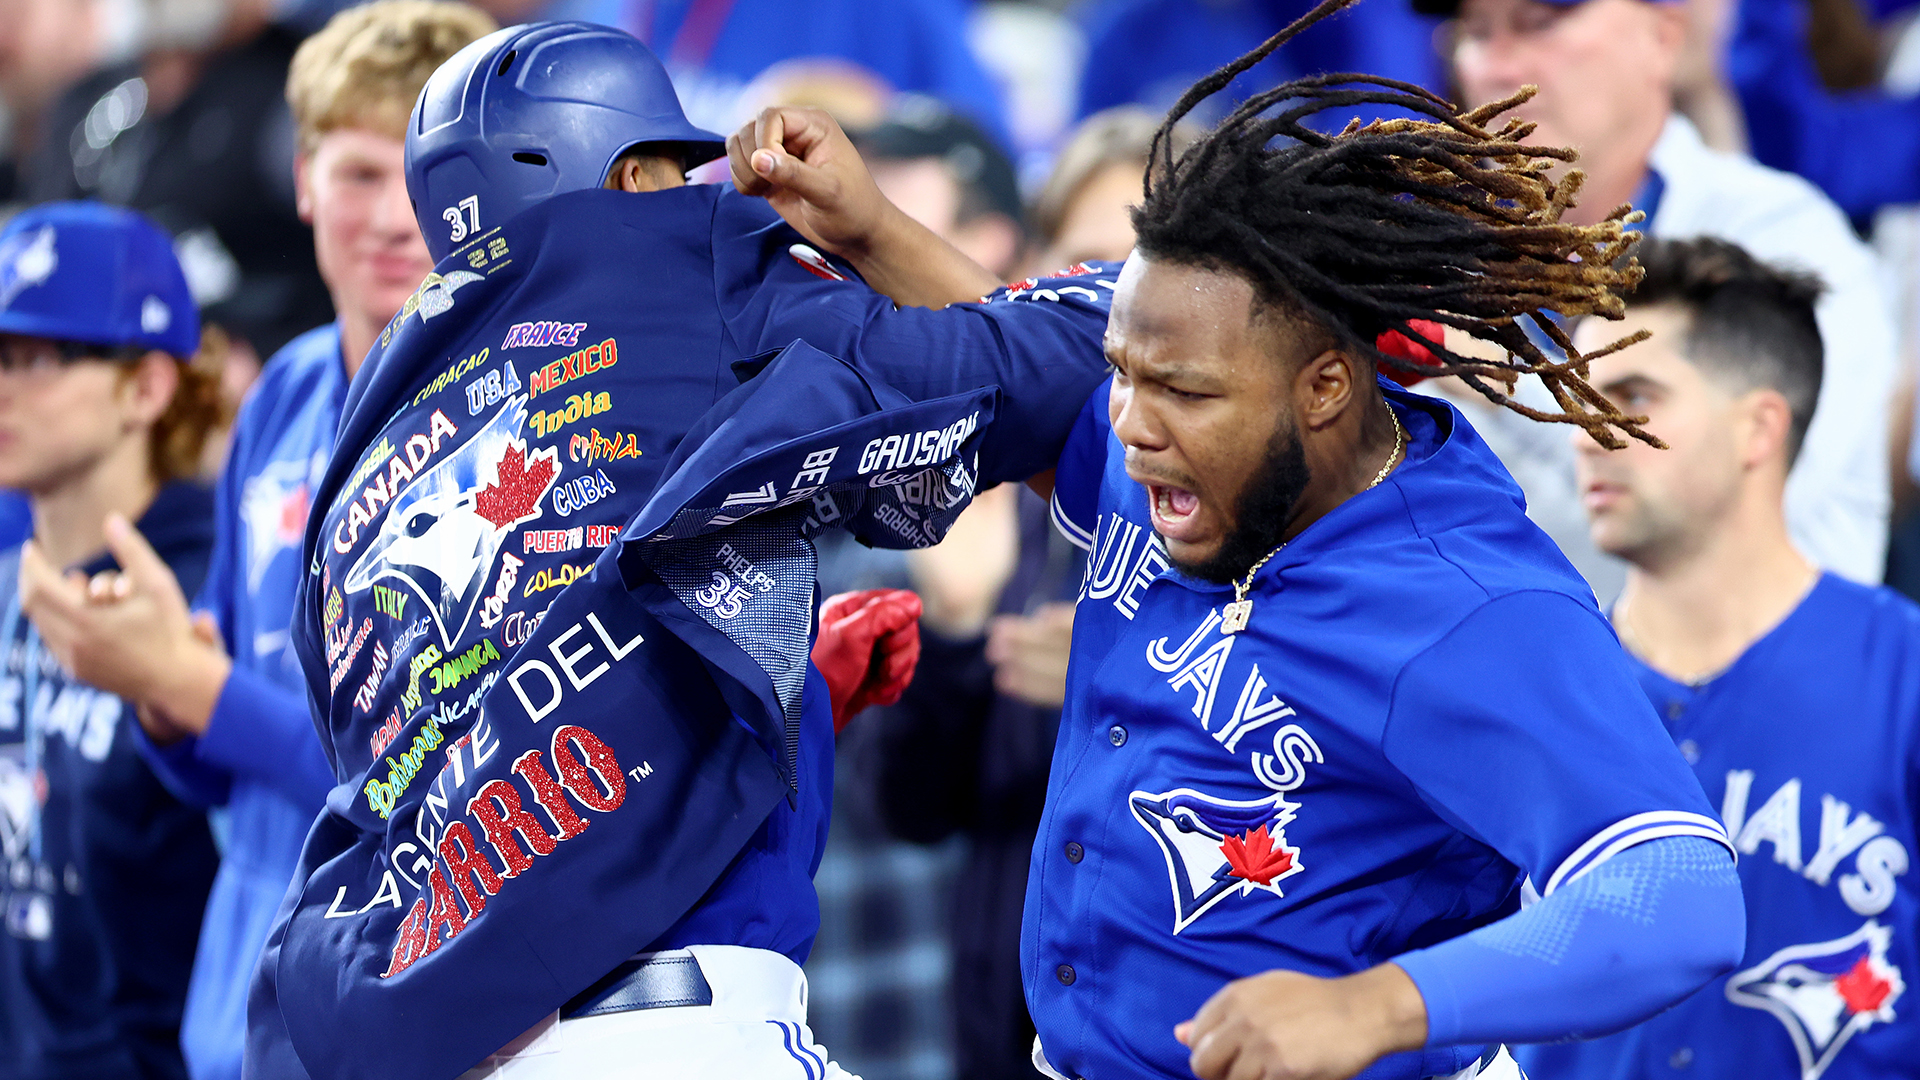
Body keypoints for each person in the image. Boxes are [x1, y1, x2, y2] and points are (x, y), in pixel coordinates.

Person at [730, 1, 1750, 1076]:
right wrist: (869, 232)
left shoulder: (1468, 602)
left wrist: (1381, 1007)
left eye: (1180, 390)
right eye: (1123, 374)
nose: (1130, 424)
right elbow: (1021, 358)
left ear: (1324, 387)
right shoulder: (1186, 450)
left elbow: (1680, 898)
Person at [243, 22, 1111, 1079]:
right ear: (620, 172)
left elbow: (499, 704)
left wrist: (777, 668)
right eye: (665, 167)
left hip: (422, 1025)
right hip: (671, 1028)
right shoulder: (680, 272)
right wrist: (874, 229)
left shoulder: (364, 429)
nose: (691, 193)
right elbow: (1081, 367)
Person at [13, 9, 500, 1080]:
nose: (394, 218)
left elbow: (448, 779)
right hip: (239, 1012)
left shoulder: (511, 414)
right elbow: (216, 765)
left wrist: (193, 689)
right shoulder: (280, 394)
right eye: (360, 173)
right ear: (302, 183)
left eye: (422, 177)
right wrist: (164, 701)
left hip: (406, 1004)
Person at [1520, 237, 1920, 1078]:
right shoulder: (1530, 690)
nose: (1586, 434)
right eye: (1577, 397)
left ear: (1758, 428)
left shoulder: (1903, 674)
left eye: (1633, 396)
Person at [1423, 0, 1899, 601]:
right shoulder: (1429, 262)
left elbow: (1766, 541)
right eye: (1475, 31)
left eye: (1539, 22)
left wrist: (1502, 382)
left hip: (1772, 661)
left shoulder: (1785, 240)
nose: (1498, 66)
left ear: (1663, 36)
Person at [0, 201, 223, 1079]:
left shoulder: (217, 580)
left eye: (39, 358)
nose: (5, 385)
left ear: (147, 388)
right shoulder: (10, 576)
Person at [28, 0, 332, 362]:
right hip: (94, 357)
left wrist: (261, 353)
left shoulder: (295, 89)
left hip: (249, 358)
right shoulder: (87, 98)